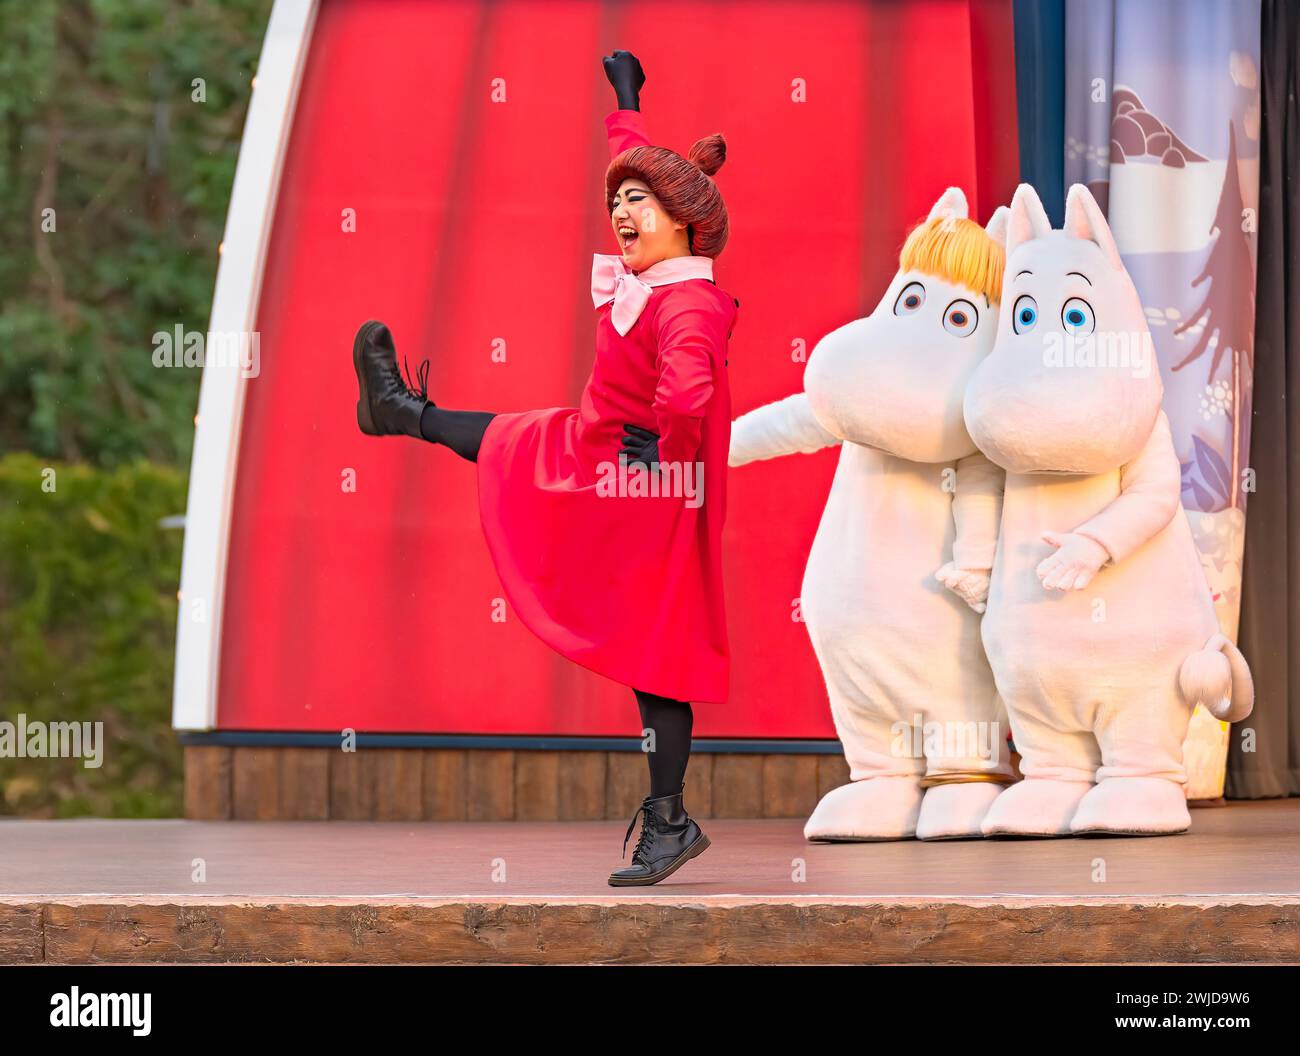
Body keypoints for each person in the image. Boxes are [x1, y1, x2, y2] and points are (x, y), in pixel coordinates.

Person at [350, 51, 737, 886]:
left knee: (655, 653)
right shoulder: (659, 274)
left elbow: (692, 389)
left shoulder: (690, 301)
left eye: (638, 203)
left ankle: (669, 823)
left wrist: (665, 454)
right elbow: (632, 156)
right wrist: (627, 99)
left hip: (638, 487)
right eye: (616, 203)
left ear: (684, 224)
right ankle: (399, 412)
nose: (621, 213)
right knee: (513, 439)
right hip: (599, 448)